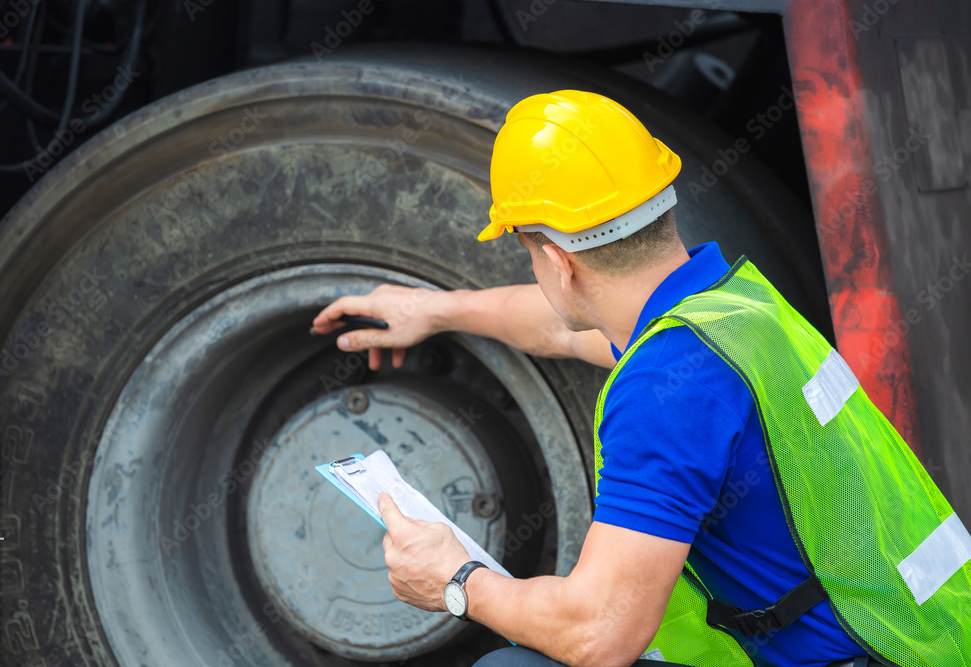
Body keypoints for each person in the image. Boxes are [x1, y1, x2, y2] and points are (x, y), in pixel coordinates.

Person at [312, 91, 970, 667]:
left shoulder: (665, 389)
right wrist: (435, 311)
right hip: (927, 639)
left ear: (557, 260)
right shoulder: (733, 312)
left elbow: (601, 635)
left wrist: (455, 579)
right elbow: (557, 325)